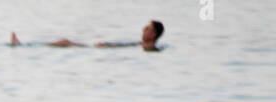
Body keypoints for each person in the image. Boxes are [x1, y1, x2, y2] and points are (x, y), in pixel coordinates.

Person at [10, 20, 163, 51]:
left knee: (65, 42)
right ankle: (24, 45)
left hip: (101, 49)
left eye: (147, 28)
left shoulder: (148, 46)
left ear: (153, 34)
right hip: (103, 47)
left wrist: (106, 47)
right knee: (65, 41)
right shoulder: (143, 45)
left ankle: (22, 46)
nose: (143, 29)